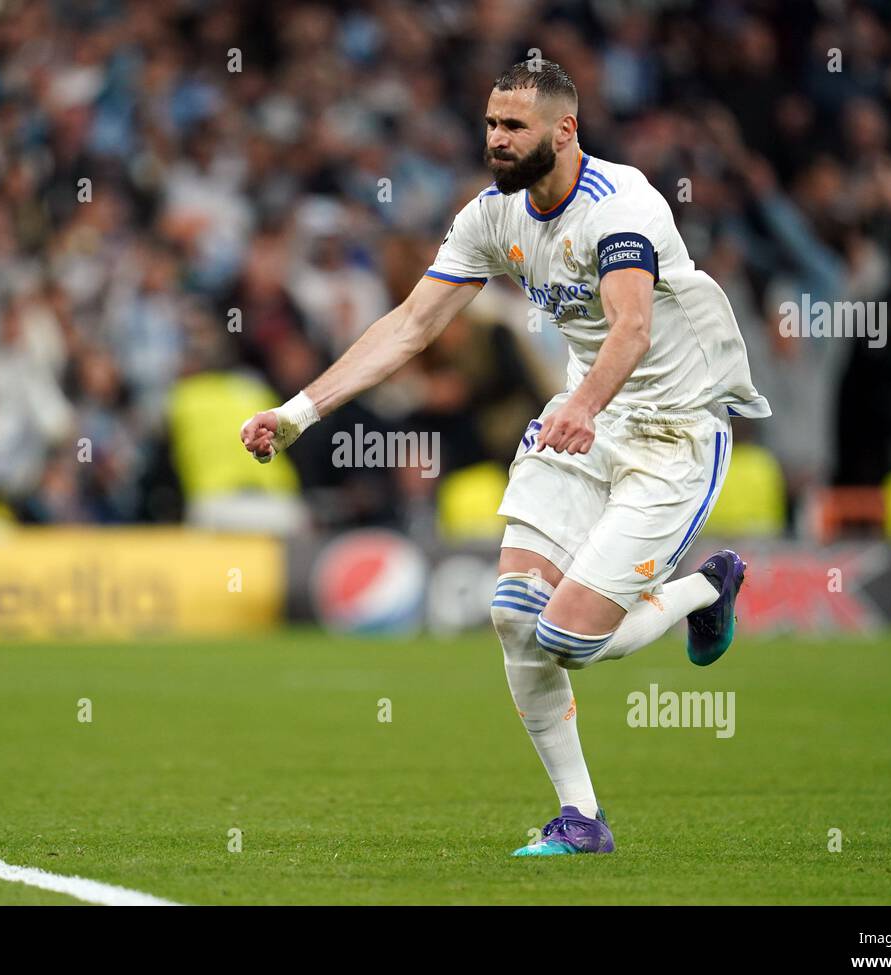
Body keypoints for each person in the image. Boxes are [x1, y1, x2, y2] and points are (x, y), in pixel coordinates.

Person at [240, 61, 770, 857]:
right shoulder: (491, 217)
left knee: (569, 642)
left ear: (565, 131)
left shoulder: (622, 207)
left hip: (675, 432)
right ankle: (581, 819)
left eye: (513, 126)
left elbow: (631, 329)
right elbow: (412, 326)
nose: (495, 138)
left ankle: (706, 587)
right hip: (581, 418)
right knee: (513, 615)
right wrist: (298, 413)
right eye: (490, 123)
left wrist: (586, 407)